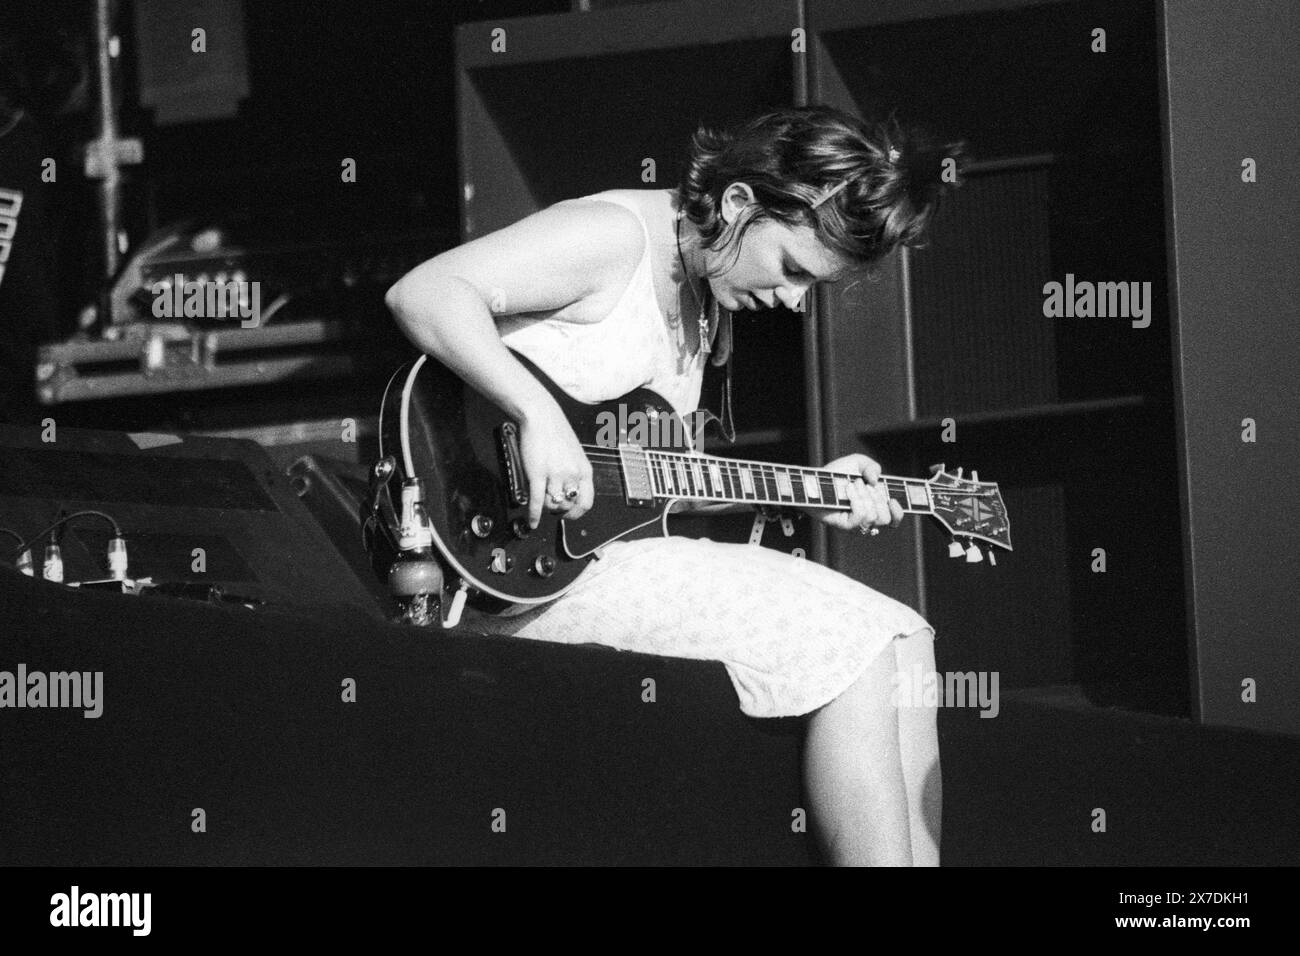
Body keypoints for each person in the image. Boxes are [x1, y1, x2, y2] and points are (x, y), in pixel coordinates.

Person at [385, 105, 966, 866]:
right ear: (737, 205)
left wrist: (814, 488)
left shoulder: (705, 298)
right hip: (503, 577)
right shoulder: (613, 238)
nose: (794, 302)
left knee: (908, 639)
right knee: (852, 641)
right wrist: (535, 414)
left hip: (591, 564)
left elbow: (649, 486)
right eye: (794, 268)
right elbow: (424, 293)